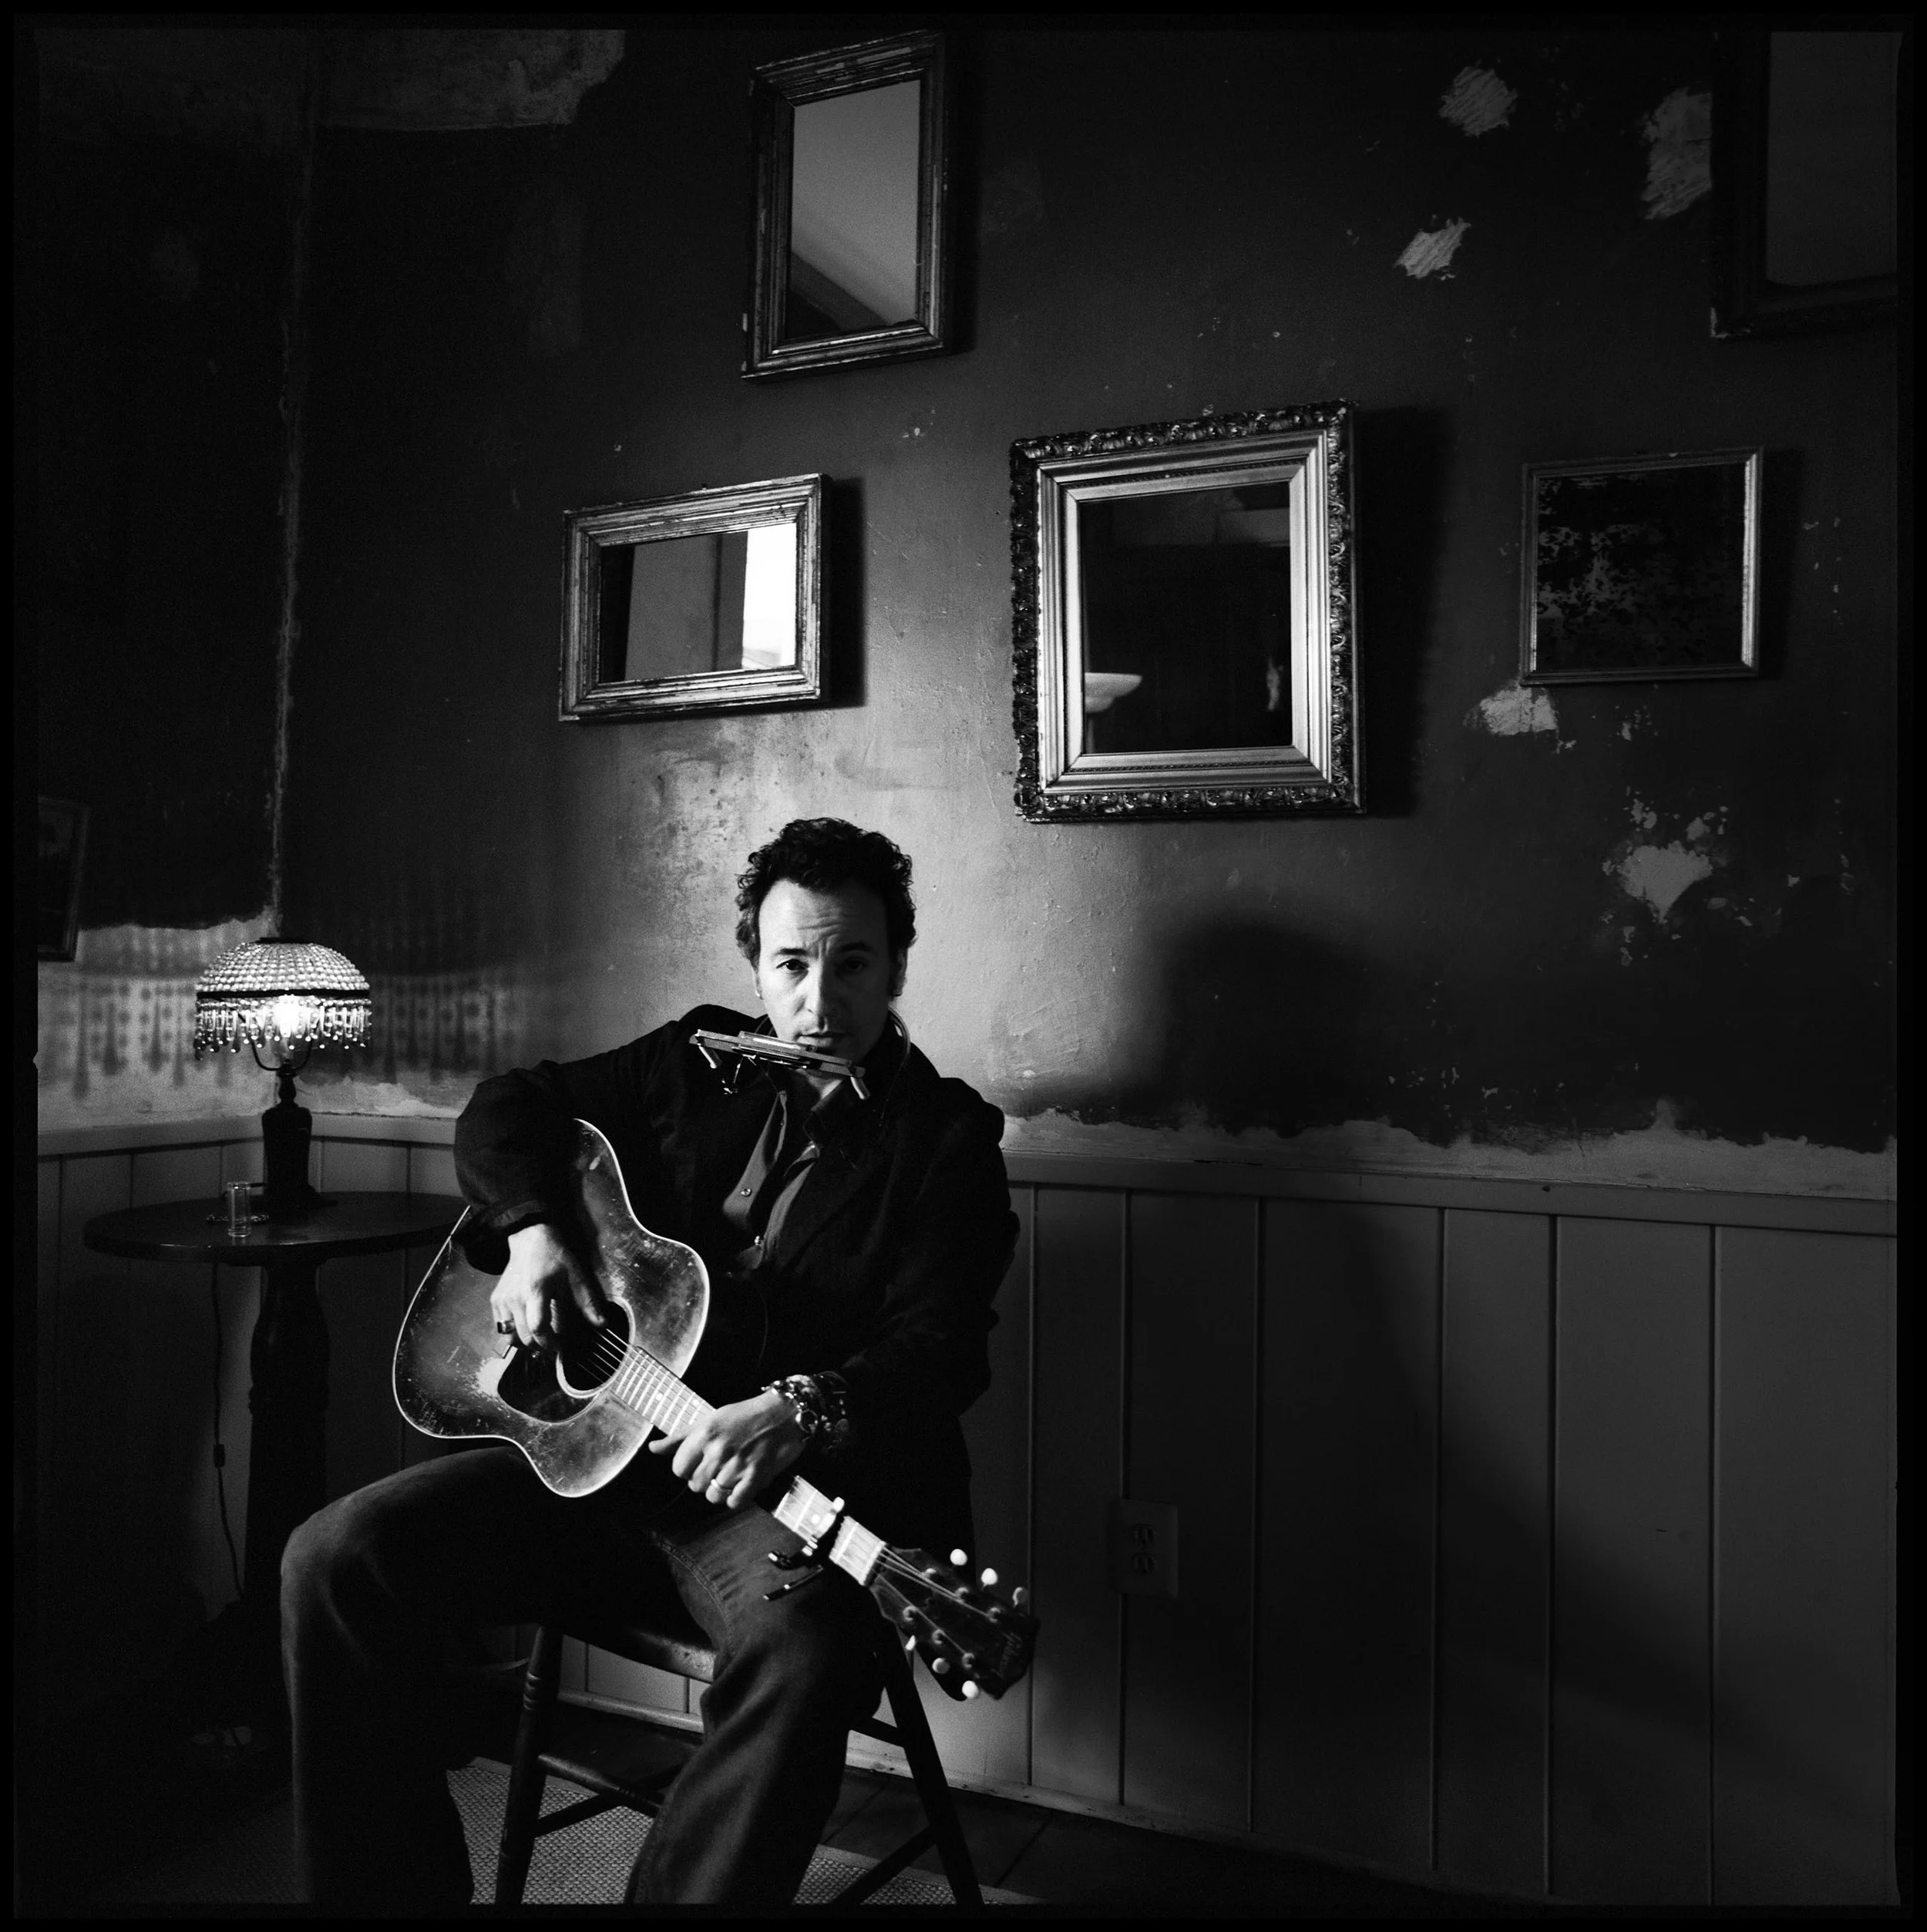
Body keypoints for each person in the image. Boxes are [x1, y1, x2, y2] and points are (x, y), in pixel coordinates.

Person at [281, 818, 1018, 1908]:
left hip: (767, 1504)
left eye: (853, 962)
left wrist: (798, 1408)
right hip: (595, 1459)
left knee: (806, 1658)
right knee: (333, 1557)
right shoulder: (698, 1059)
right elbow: (507, 1109)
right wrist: (533, 1232)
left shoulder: (949, 1141)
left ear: (899, 960)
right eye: (792, 965)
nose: (819, 1001)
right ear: (757, 966)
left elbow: (940, 1350)